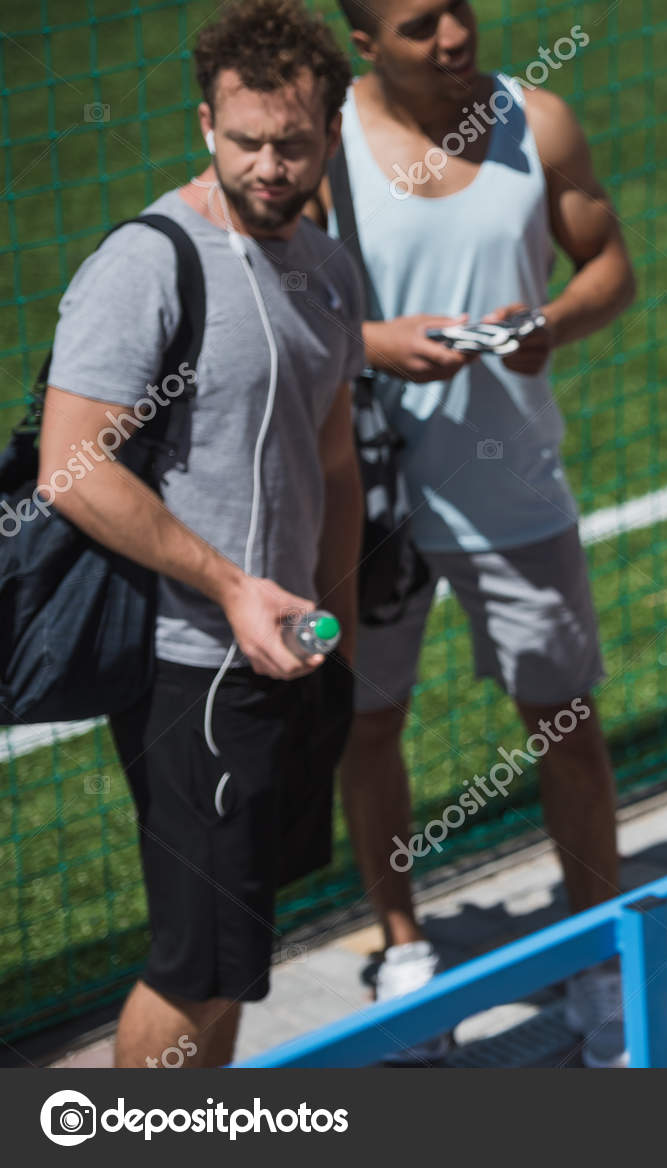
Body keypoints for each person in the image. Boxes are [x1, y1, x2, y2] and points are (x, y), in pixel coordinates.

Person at [37, 0, 363, 1068]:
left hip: (289, 658)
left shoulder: (324, 267)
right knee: (192, 963)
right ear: (204, 125)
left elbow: (330, 462)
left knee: (236, 956)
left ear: (332, 133)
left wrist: (339, 628)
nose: (268, 165)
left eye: (294, 143)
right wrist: (229, 585)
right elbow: (69, 465)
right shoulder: (148, 262)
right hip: (193, 668)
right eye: (245, 140)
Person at [320, 0, 636, 1066]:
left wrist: (549, 323)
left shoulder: (535, 119)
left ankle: (596, 951)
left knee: (566, 725)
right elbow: (261, 302)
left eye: (459, 8)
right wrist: (372, 342)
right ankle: (403, 945)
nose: (454, 36)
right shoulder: (321, 144)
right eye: (419, 26)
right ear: (363, 42)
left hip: (514, 490)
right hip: (362, 497)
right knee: (368, 726)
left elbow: (609, 267)